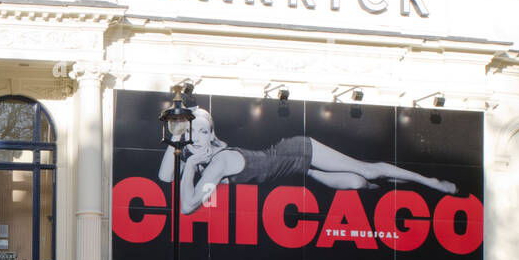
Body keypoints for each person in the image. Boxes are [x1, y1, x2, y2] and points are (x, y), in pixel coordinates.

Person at [160, 107, 459, 215]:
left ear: (212, 134)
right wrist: (174, 140)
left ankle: (428, 181)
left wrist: (189, 169)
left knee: (364, 169)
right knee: (358, 183)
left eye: (202, 131)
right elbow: (165, 177)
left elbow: (187, 206)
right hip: (297, 171)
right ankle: (406, 191)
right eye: (191, 132)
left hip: (297, 152)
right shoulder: (207, 157)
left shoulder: (219, 162)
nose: (196, 137)